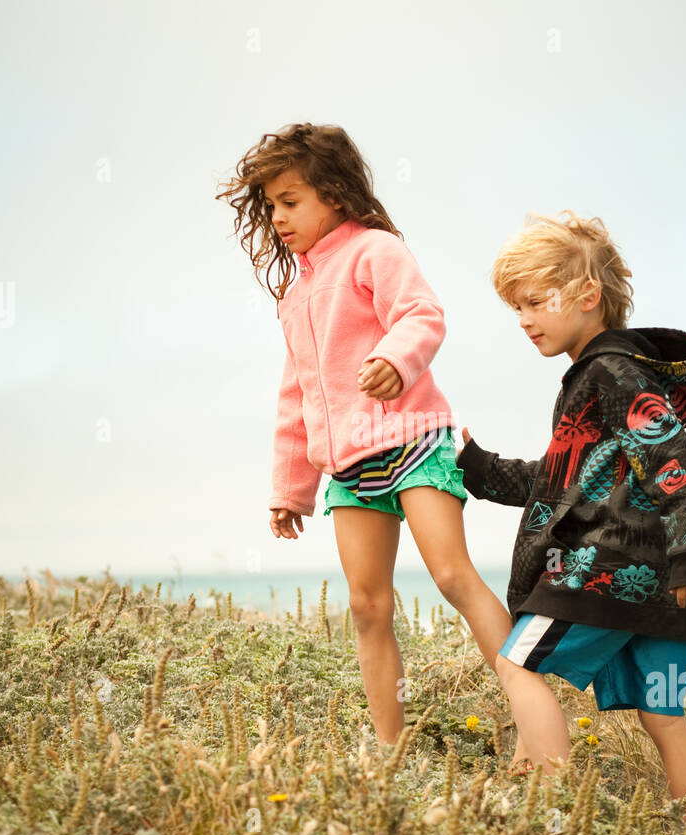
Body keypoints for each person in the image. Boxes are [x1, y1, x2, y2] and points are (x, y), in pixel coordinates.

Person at [216, 122, 527, 765]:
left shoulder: (374, 251)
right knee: (365, 604)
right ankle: (391, 750)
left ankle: (534, 715)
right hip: (351, 466)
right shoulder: (294, 294)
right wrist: (290, 490)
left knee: (450, 575)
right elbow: (296, 397)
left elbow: (422, 314)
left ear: (333, 192)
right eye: (270, 205)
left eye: (290, 201)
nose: (277, 217)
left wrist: (394, 359)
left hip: (414, 437)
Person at [457, 210, 686, 821]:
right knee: (664, 715)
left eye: (535, 302)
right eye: (515, 308)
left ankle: (548, 813)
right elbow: (558, 483)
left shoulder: (609, 373)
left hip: (603, 568)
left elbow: (670, 454)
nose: (523, 320)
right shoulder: (607, 376)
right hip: (659, 585)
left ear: (587, 296)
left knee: (515, 663)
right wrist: (475, 464)